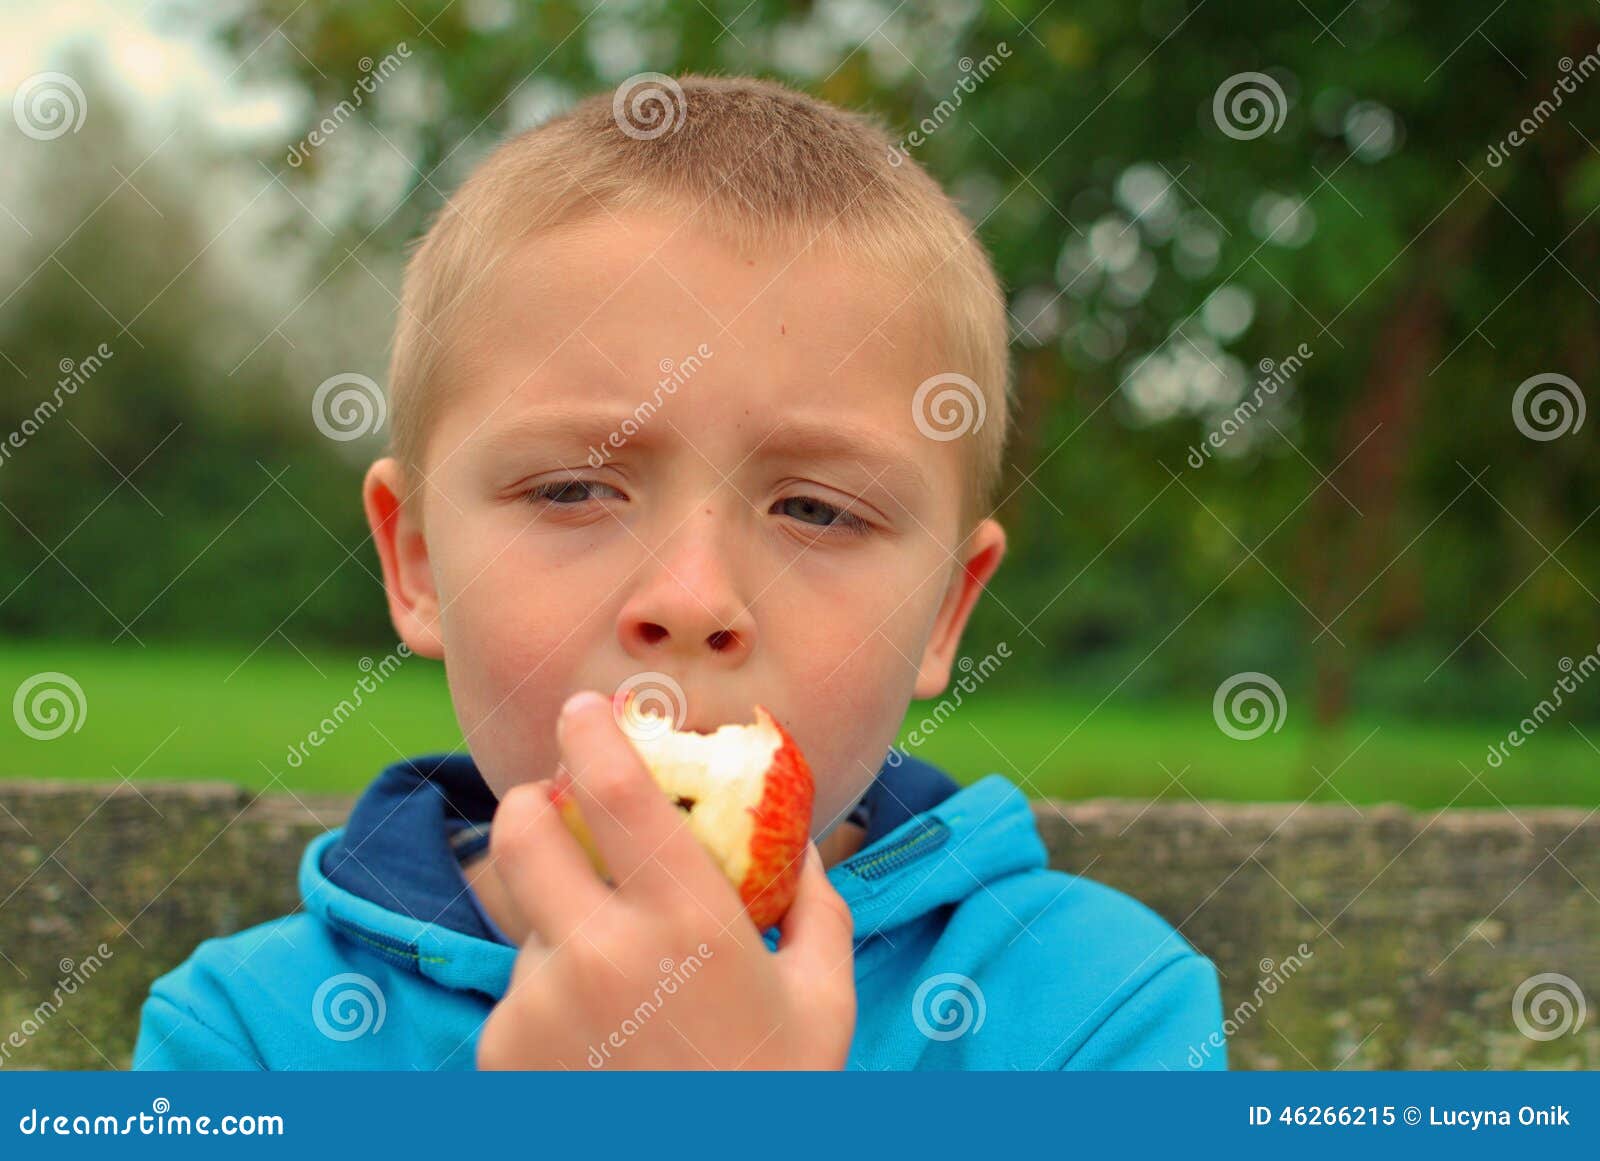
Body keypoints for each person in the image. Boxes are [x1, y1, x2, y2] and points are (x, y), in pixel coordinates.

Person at [134, 74, 1225, 1070]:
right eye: (574, 489)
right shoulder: (245, 1037)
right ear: (417, 562)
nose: (693, 600)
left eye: (816, 510)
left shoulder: (1096, 1015)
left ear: (945, 609)